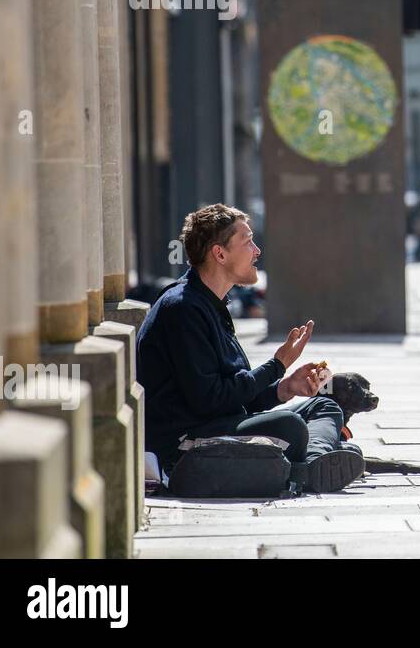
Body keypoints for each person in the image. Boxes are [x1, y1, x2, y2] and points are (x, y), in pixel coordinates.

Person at [137, 204, 364, 493]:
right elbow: (211, 401)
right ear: (220, 254)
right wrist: (276, 365)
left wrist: (284, 388)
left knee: (324, 405)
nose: (257, 251)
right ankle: (314, 464)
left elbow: (234, 397)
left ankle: (313, 463)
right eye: (247, 242)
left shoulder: (210, 304)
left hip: (220, 422)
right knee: (290, 425)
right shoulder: (182, 308)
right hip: (186, 442)